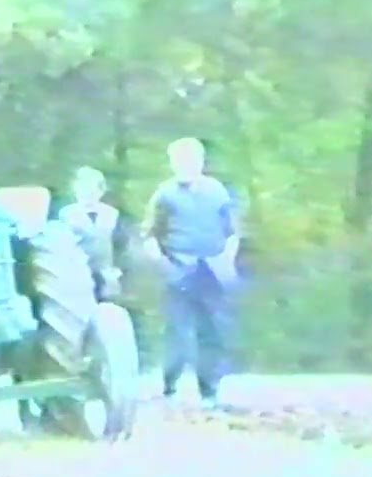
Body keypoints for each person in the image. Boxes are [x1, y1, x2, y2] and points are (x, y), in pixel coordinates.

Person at [141, 137, 241, 410]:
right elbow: (149, 237)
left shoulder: (217, 192)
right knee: (178, 332)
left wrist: (226, 262)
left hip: (212, 272)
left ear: (200, 161)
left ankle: (209, 391)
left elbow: (232, 233)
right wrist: (166, 267)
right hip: (178, 271)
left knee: (213, 333)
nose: (184, 166)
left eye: (190, 160)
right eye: (179, 161)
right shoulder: (164, 194)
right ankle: (169, 386)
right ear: (172, 163)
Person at [58, 166, 132, 302]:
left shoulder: (112, 214)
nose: (87, 195)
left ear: (101, 192)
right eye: (83, 190)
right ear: (75, 190)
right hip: (76, 276)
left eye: (92, 191)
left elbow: (121, 245)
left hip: (106, 274)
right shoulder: (65, 215)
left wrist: (119, 269)